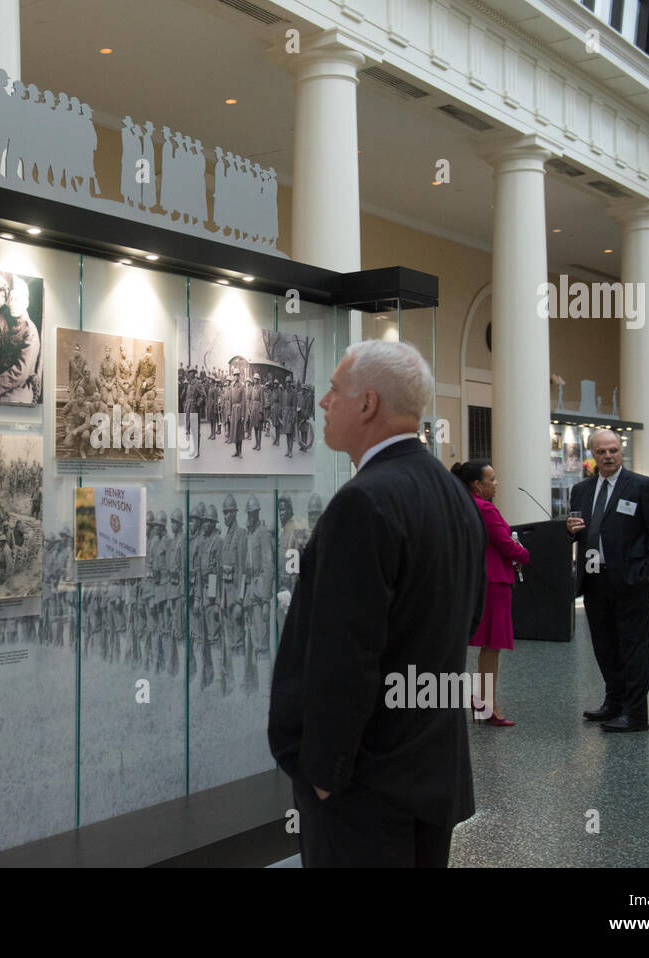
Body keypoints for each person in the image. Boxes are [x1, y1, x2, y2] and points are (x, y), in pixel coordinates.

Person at [268, 340, 485, 867]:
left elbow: (346, 657)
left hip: (367, 787)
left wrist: (324, 775)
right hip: (429, 769)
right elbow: (467, 618)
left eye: (334, 391)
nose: (322, 402)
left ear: (367, 404)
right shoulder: (451, 492)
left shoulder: (363, 502)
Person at [566, 429, 649, 733]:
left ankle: (636, 714)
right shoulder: (582, 490)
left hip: (631, 582)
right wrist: (570, 530)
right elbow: (580, 531)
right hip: (595, 580)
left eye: (613, 450)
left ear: (621, 451)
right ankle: (614, 702)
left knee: (633, 649)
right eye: (601, 452)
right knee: (605, 646)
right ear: (593, 455)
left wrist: (647, 574)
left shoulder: (641, 486)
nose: (608, 456)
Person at [451, 459, 529, 726]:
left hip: (473, 580)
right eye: (492, 479)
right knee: (492, 645)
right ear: (477, 484)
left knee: (484, 643)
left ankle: (483, 701)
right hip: (494, 582)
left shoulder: (461, 505)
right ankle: (487, 703)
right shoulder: (485, 509)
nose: (496, 483)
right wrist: (525, 553)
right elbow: (507, 545)